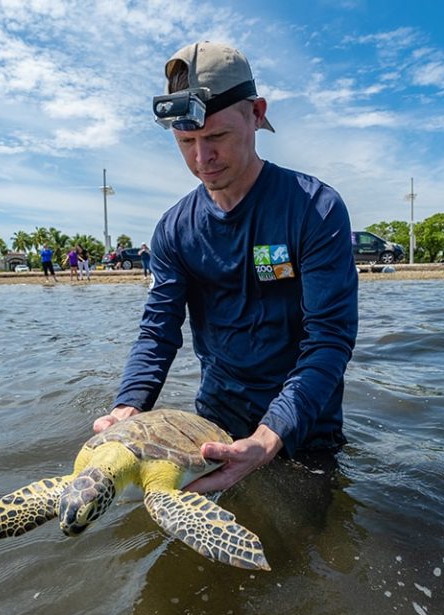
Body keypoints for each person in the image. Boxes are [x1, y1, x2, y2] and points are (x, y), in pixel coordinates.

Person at [92, 41, 358, 493]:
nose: (202, 159)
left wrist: (270, 436)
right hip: (214, 431)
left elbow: (329, 339)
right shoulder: (174, 229)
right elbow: (158, 332)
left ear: (256, 114)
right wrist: (128, 406)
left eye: (216, 137)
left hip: (306, 430)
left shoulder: (314, 209)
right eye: (186, 142)